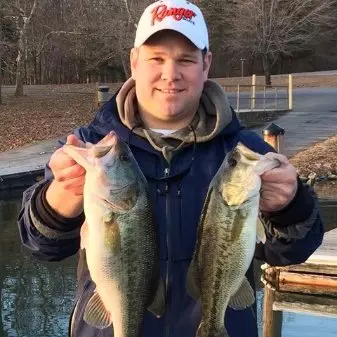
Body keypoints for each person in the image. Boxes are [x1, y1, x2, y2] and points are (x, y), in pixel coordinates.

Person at [18, 0, 323, 336]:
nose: (170, 74)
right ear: (134, 62)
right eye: (156, 59)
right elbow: (40, 246)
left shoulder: (245, 155)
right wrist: (58, 198)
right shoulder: (89, 148)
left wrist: (290, 205)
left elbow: (291, 251)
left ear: (206, 65)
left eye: (186, 60)